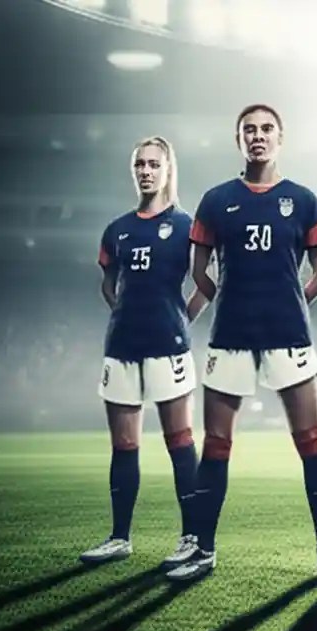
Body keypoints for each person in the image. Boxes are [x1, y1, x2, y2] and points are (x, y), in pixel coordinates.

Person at [166, 104, 317, 582]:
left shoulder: (302, 199)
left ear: (280, 138)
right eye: (249, 130)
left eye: (266, 129)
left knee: (311, 441)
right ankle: (203, 550)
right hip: (230, 338)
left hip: (289, 338)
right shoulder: (216, 200)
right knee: (216, 445)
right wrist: (232, 301)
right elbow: (199, 270)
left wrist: (289, 303)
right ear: (238, 140)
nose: (257, 136)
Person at [80, 136, 207, 566]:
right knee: (124, 445)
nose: (146, 171)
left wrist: (180, 317)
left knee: (179, 442)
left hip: (168, 347)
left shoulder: (188, 225)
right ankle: (120, 538)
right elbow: (107, 282)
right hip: (121, 347)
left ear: (168, 169)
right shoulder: (117, 229)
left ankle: (192, 537)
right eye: (140, 164)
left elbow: (208, 282)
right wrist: (126, 314)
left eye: (154, 164)